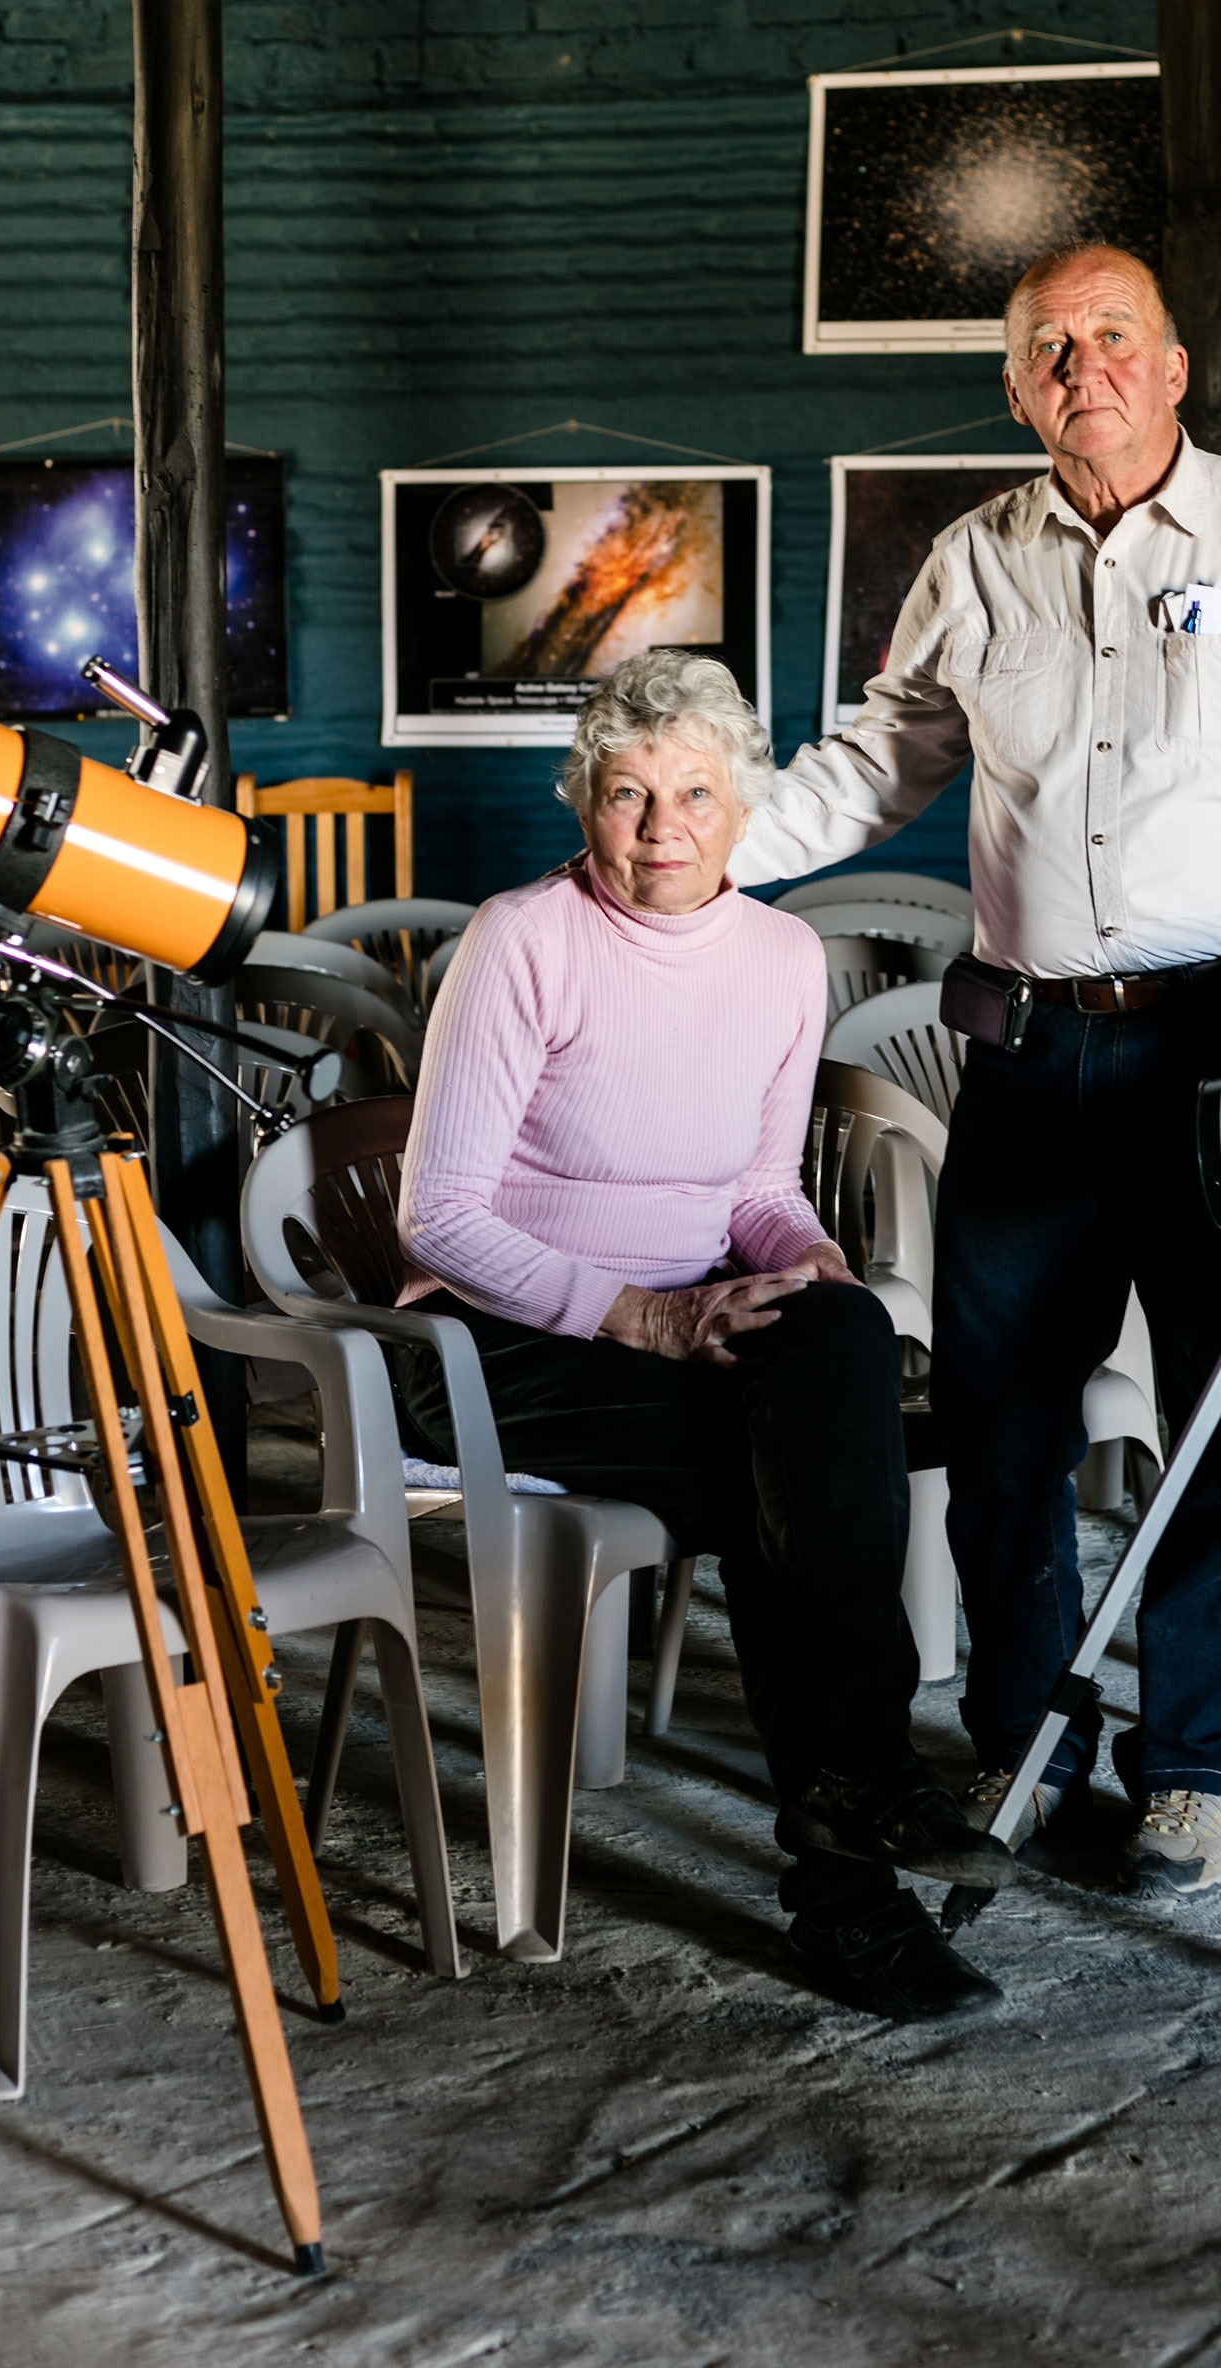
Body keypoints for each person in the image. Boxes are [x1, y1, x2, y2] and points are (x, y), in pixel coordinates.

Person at [730, 244, 1221, 1897]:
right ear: (1014, 389)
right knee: (1002, 1433)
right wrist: (700, 850)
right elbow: (874, 766)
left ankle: (1188, 1771)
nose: (1084, 367)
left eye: (1114, 335)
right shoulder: (973, 561)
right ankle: (1025, 1745)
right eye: (1049, 346)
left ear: (1173, 367)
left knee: (1220, 1424)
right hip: (1032, 1054)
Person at [392, 646, 1012, 2018]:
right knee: (807, 1466)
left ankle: (854, 1803)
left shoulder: (783, 957)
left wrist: (809, 1261)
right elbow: (439, 1218)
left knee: (842, 1334)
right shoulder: (522, 937)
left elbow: (756, 1192)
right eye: (626, 793)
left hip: (694, 1326)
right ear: (585, 803)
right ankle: (855, 1869)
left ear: (745, 809)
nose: (661, 827)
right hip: (498, 1343)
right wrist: (643, 1316)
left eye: (694, 794)